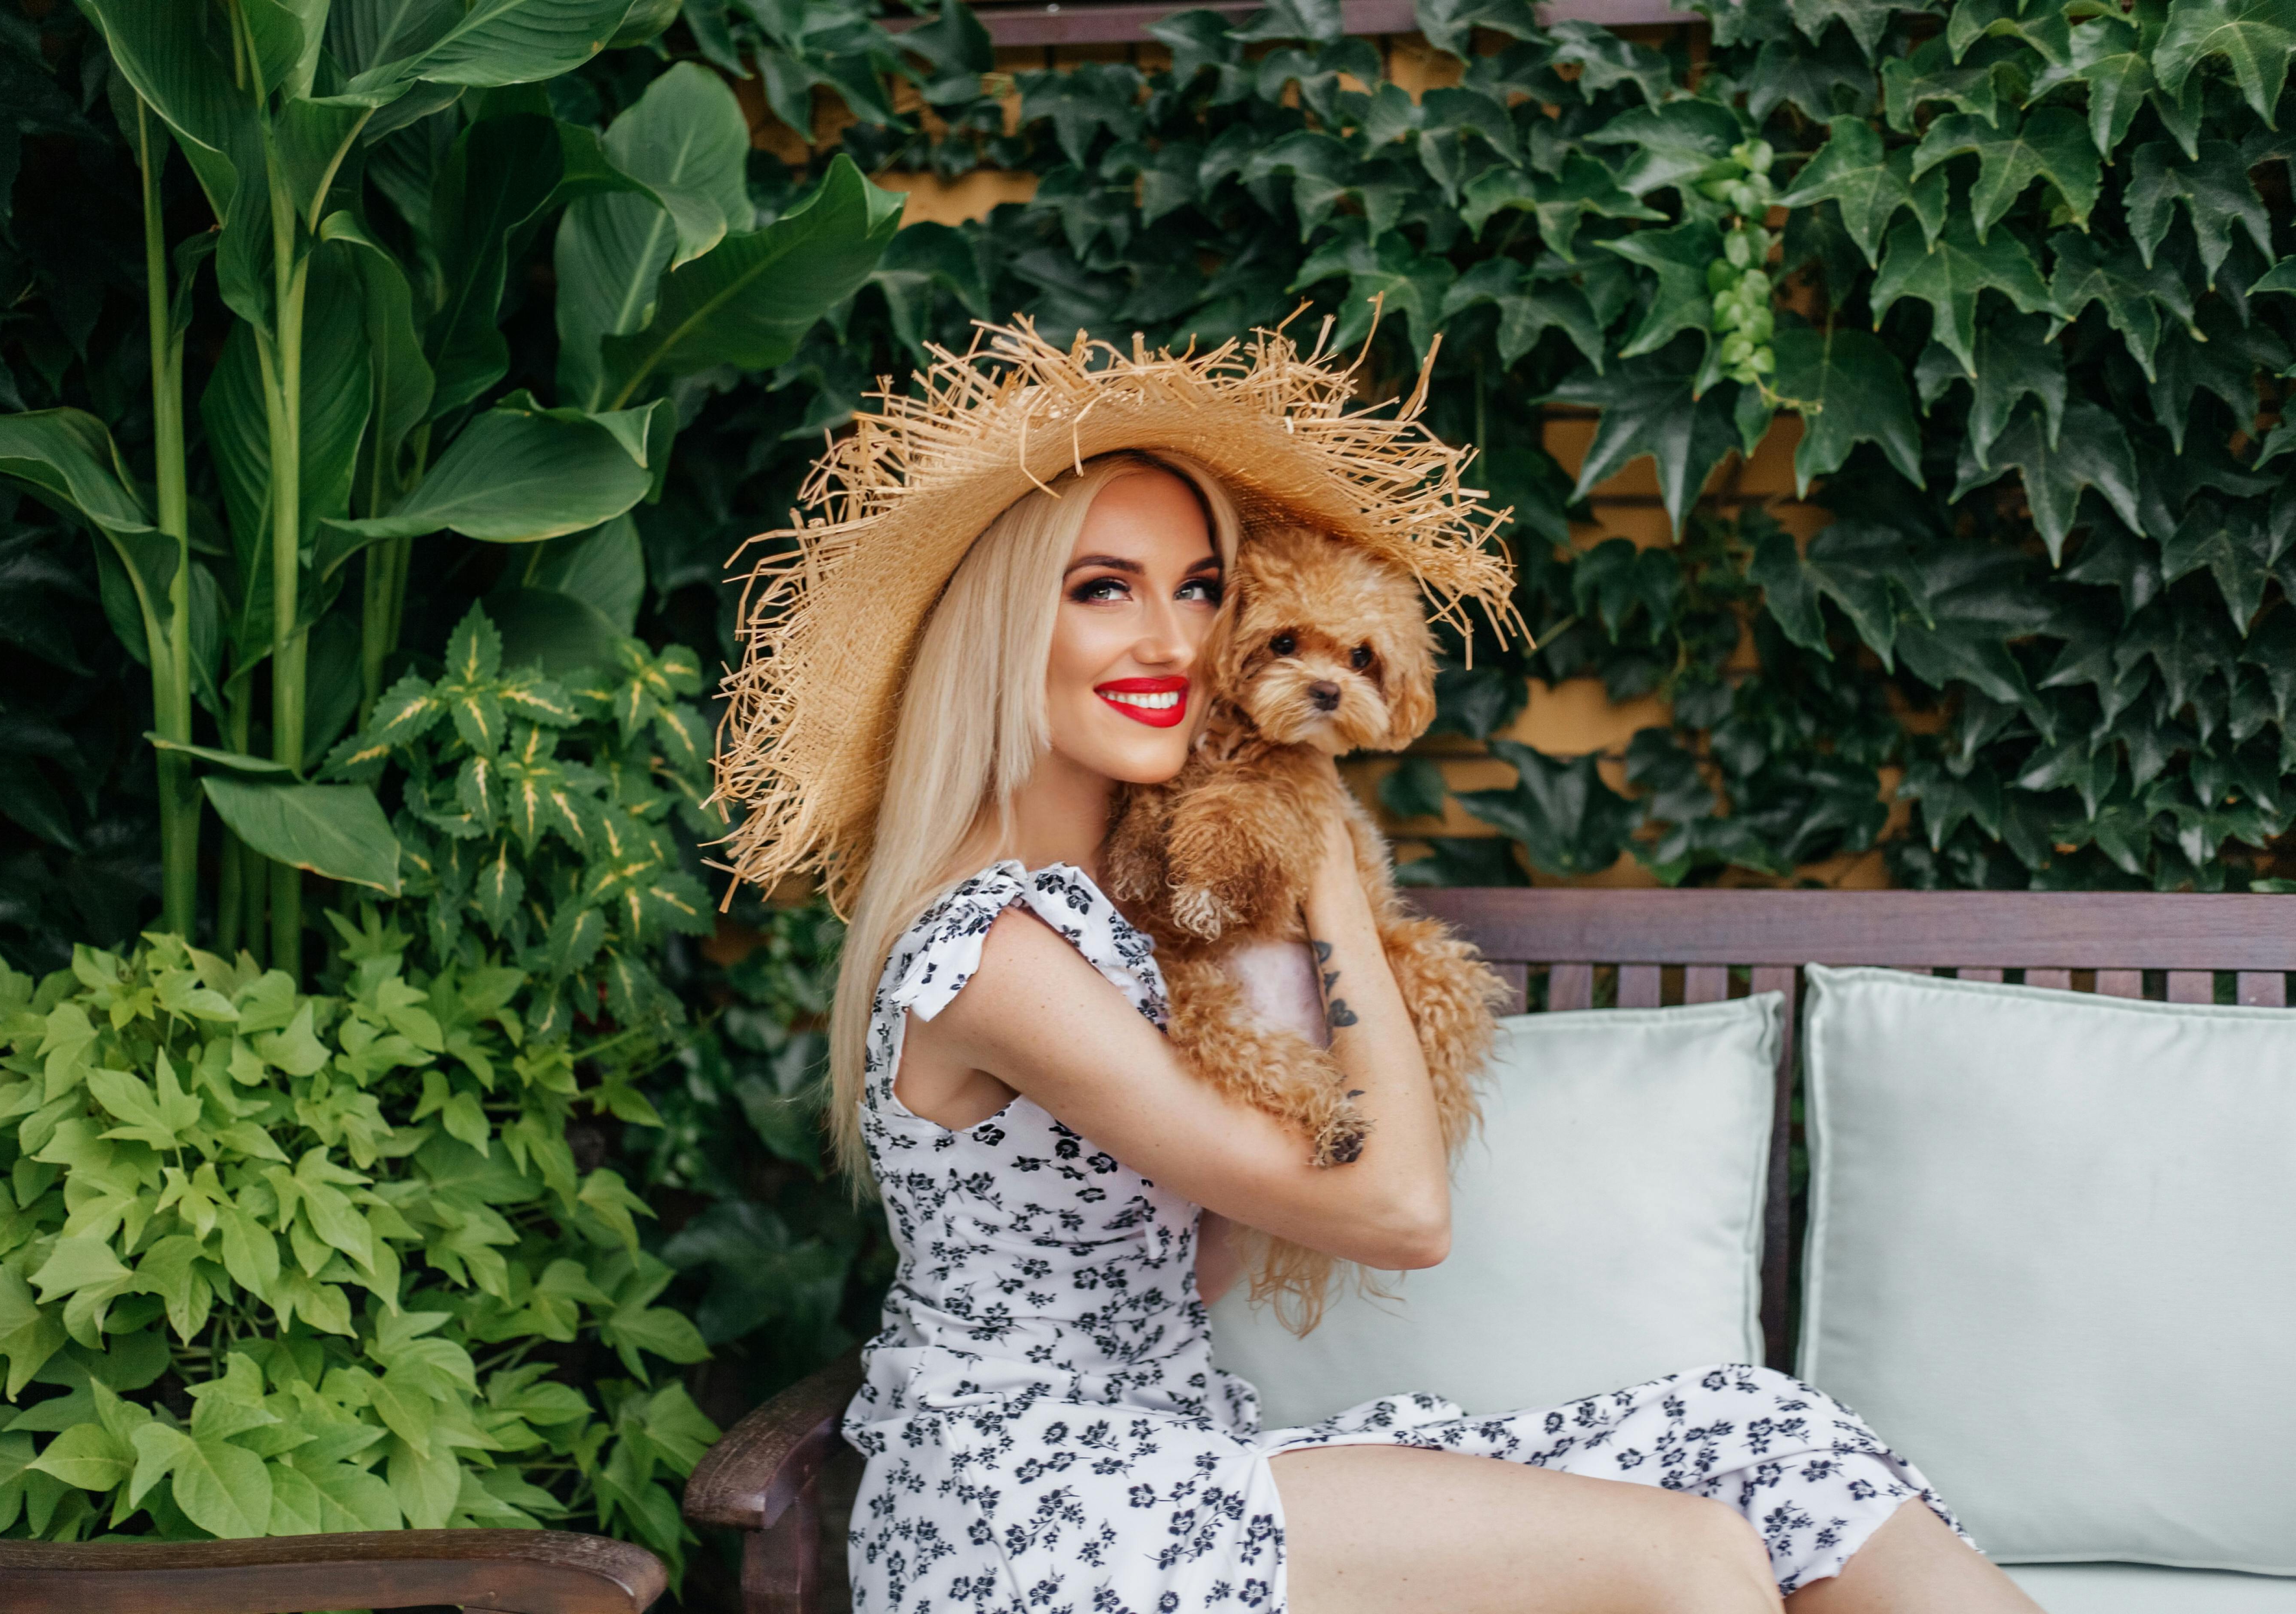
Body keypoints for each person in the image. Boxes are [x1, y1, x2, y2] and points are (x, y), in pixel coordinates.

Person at [712, 323, 2043, 1614]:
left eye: (1202, 590)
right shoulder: (994, 947)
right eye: (1104, 588)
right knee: (1685, 1559)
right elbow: (1403, 1214)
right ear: (1007, 628)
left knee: (1768, 1444)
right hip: (1031, 1514)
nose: (1173, 642)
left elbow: (1211, 1254)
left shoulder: (1125, 922)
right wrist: (1333, 875)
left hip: (1183, 1455)